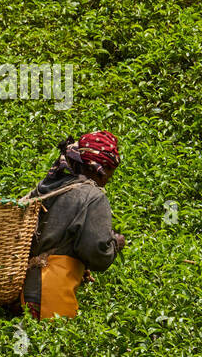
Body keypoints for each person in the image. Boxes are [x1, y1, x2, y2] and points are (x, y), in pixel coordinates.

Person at [21, 132, 125, 319]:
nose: (109, 177)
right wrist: (115, 244)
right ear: (98, 168)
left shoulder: (46, 187)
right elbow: (97, 251)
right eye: (110, 170)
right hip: (53, 294)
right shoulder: (92, 196)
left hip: (20, 291)